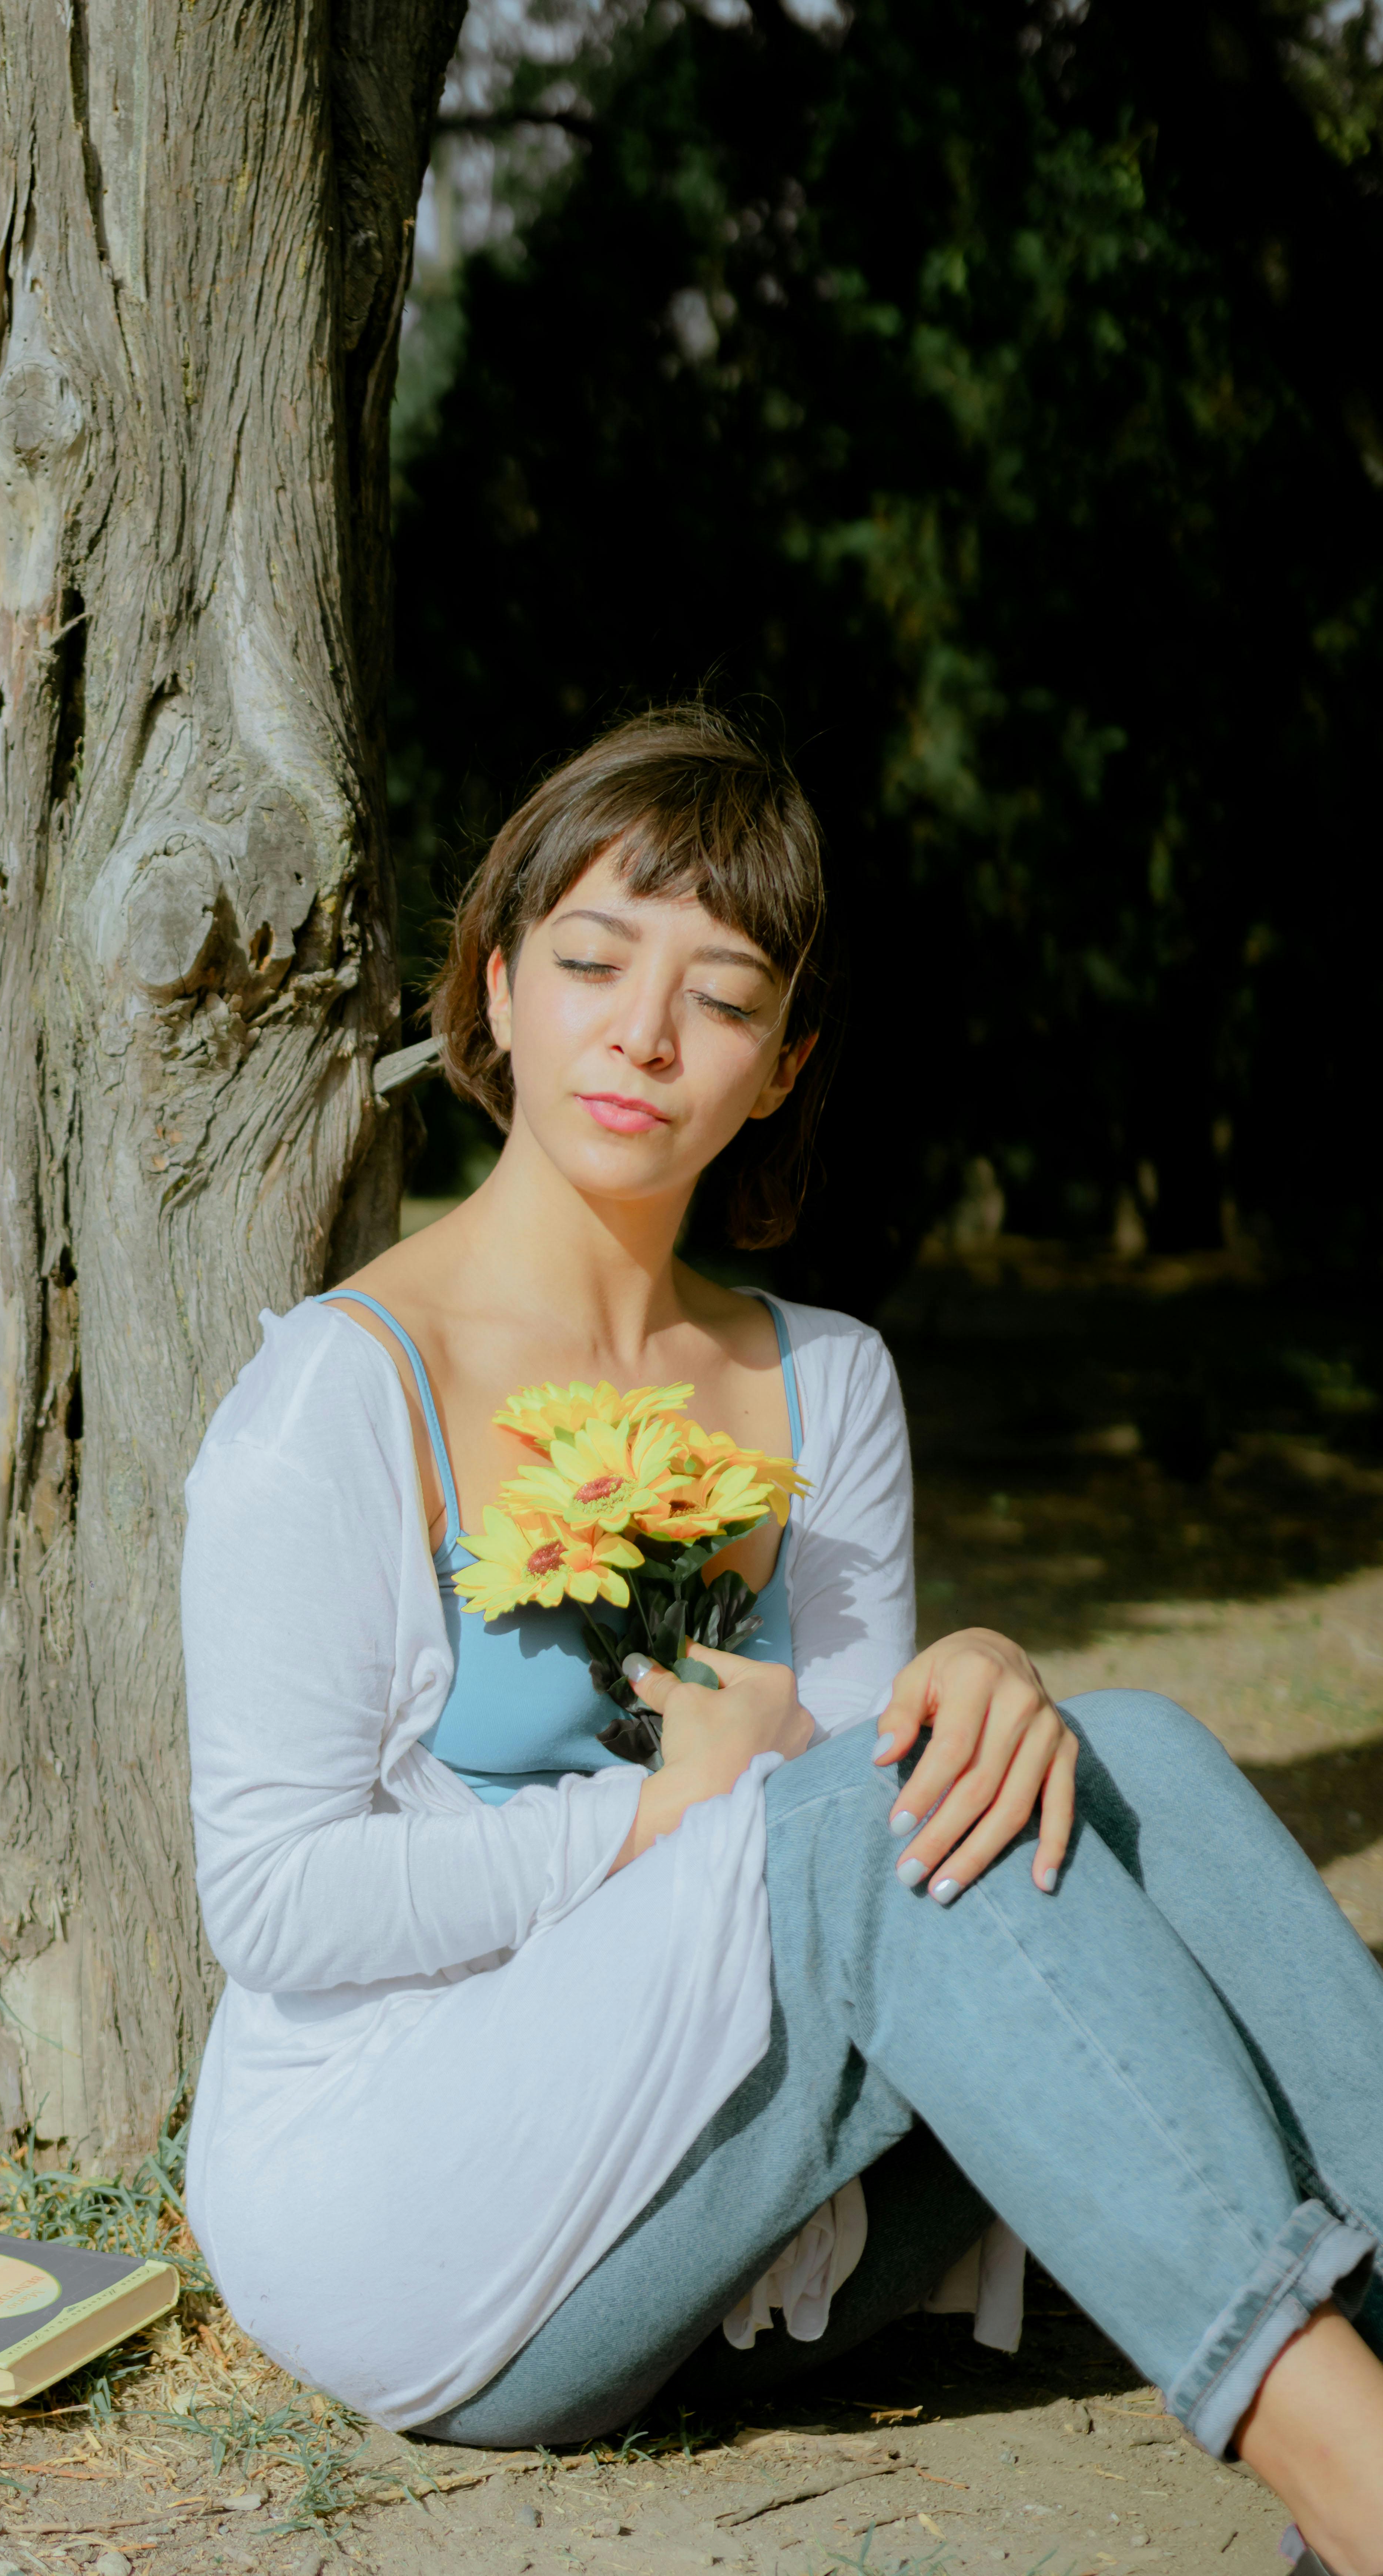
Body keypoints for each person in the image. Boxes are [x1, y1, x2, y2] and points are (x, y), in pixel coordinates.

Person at [181, 707, 1383, 2576]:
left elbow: (893, 1838)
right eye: (589, 963)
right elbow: (271, 1906)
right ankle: (1358, 2478)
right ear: (495, 993)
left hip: (739, 2198)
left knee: (1111, 1749)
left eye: (720, 998)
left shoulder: (830, 1380)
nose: (643, 1033)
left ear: (776, 1068)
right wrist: (654, 1821)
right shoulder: (331, 1403)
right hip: (413, 2195)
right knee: (862, 1829)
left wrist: (973, 1675)